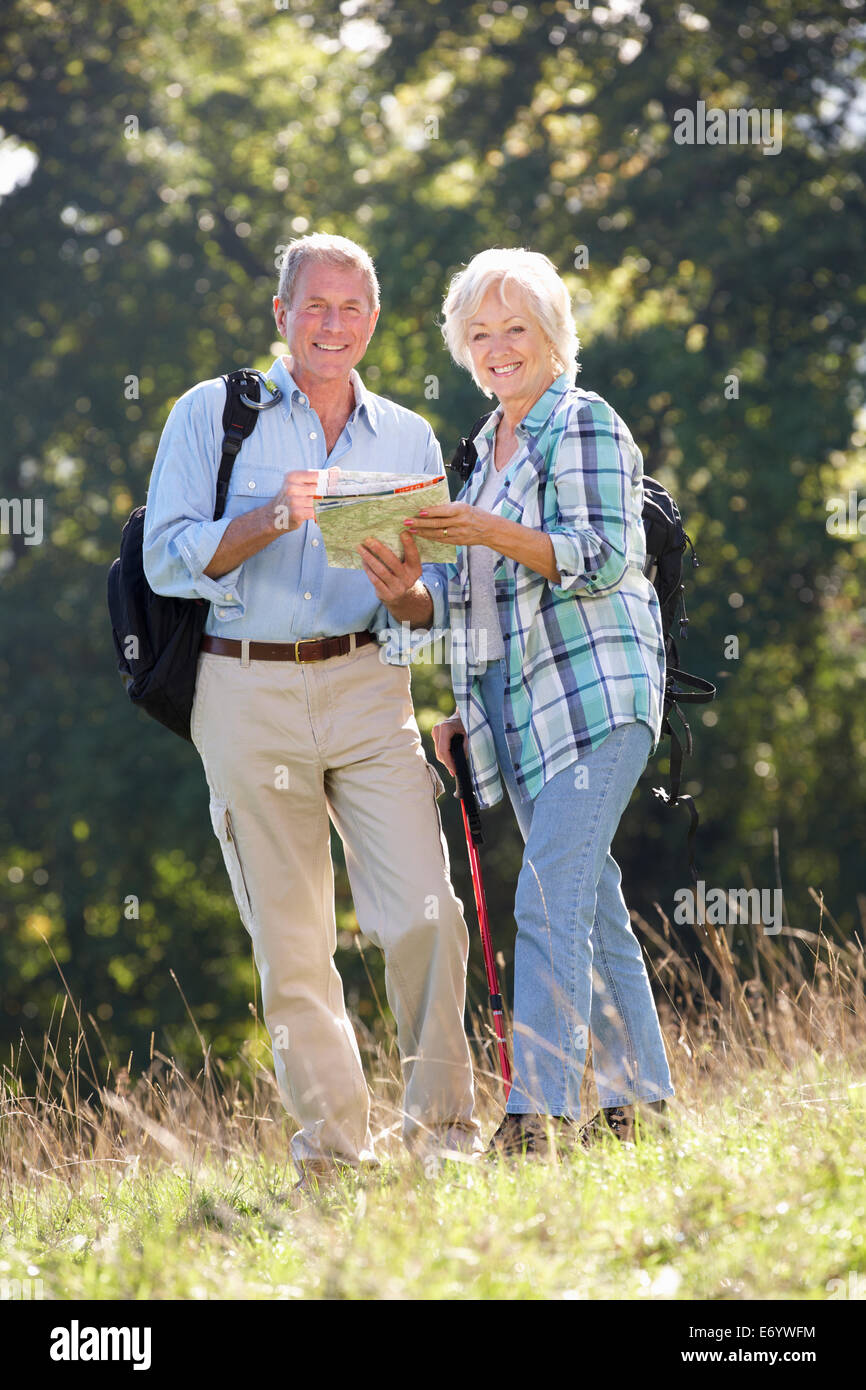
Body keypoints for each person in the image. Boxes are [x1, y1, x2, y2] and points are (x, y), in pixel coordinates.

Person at [143, 233, 481, 1193]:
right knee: (293, 941)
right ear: (281, 317)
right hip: (244, 687)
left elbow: (428, 611)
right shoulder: (215, 414)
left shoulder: (409, 439)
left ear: (373, 320)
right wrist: (269, 519)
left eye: (352, 308)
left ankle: (445, 1134)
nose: (333, 325)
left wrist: (409, 589)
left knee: (426, 913)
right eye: (315, 306)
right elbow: (167, 556)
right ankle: (334, 1155)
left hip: (371, 685)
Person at [360, 247, 674, 1157]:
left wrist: (487, 531)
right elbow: (461, 607)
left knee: (546, 898)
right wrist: (405, 592)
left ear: (552, 337)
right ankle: (639, 1106)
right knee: (589, 900)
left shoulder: (582, 422)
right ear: (463, 347)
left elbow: (605, 554)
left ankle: (538, 1114)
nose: (499, 348)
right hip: (517, 720)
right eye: (481, 333)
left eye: (517, 329)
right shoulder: (477, 457)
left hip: (597, 700)